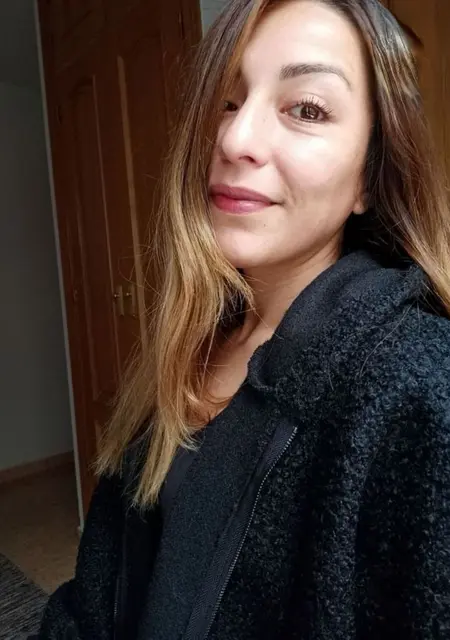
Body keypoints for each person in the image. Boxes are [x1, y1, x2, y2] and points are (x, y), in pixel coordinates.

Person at [36, 0, 450, 638]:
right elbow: (102, 590)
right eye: (226, 103)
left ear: (370, 176)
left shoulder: (420, 386)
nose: (234, 140)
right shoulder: (193, 339)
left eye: (306, 109)